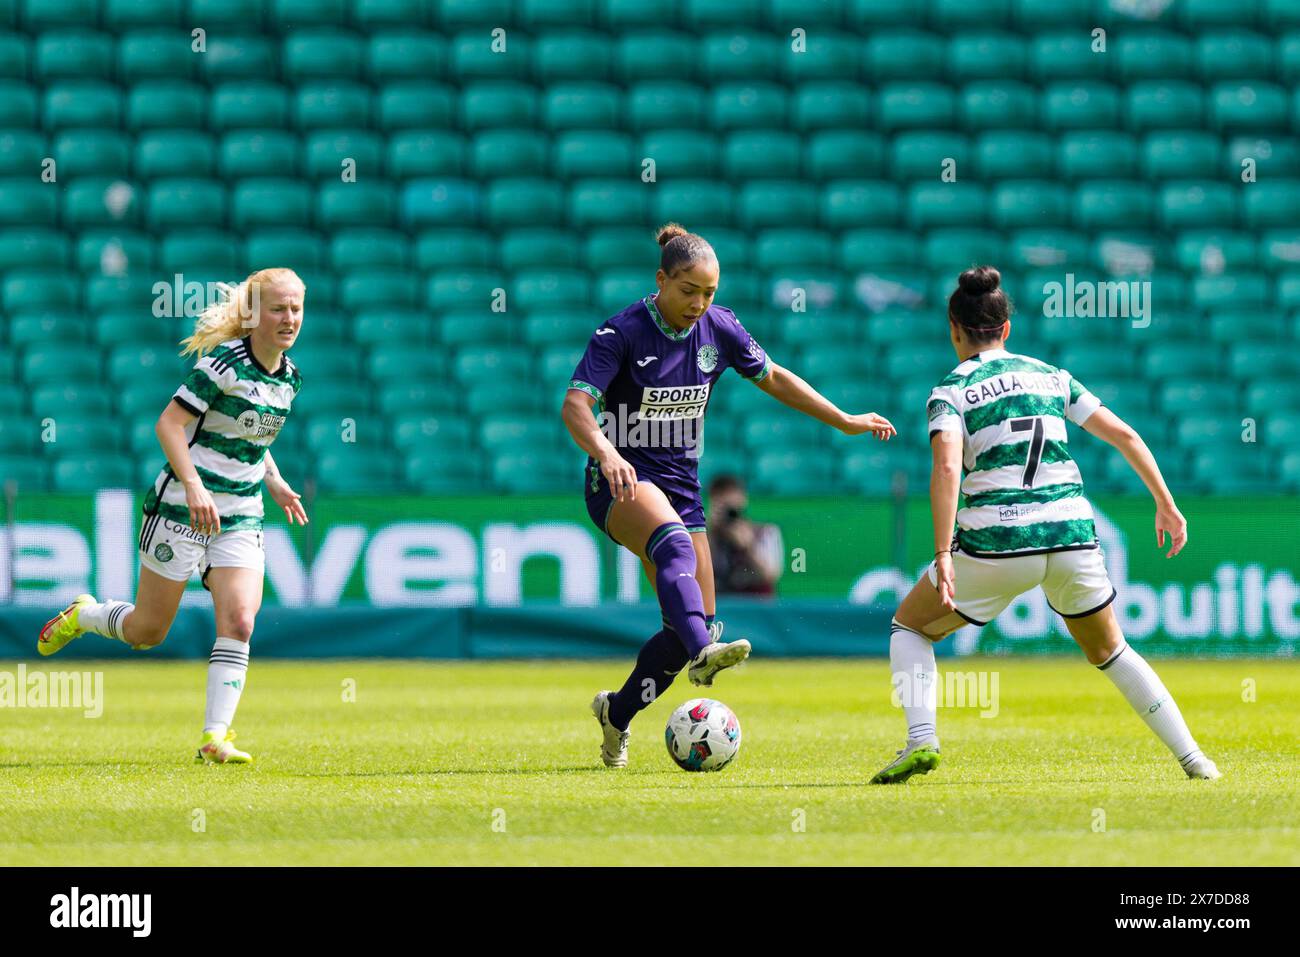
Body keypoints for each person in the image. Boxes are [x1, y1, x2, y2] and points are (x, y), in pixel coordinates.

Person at [561, 223, 896, 768]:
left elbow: (775, 377)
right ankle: (704, 654)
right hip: (619, 482)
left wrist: (843, 419)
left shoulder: (720, 328)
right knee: (673, 552)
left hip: (681, 491)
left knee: (685, 626)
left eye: (709, 293)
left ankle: (616, 714)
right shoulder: (620, 333)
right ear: (661, 280)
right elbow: (576, 405)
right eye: (688, 290)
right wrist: (607, 452)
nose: (699, 303)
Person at [869, 265, 1220, 784]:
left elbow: (945, 468)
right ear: (1006, 328)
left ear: (954, 329)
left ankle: (921, 741)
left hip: (997, 542)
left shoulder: (950, 391)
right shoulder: (1051, 376)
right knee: (1111, 651)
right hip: (1071, 533)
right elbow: (1124, 434)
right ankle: (1196, 761)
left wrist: (943, 553)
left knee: (910, 628)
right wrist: (1166, 504)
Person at [37, 267, 308, 765]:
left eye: (295, 308)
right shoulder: (223, 365)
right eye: (278, 308)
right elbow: (169, 423)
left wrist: (275, 481)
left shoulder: (289, 377)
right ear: (253, 314)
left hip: (241, 514)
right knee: (147, 631)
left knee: (241, 620)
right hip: (182, 508)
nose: (289, 318)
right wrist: (194, 485)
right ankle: (85, 614)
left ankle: (215, 736)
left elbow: (250, 439)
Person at [707, 474, 783, 596]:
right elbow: (701, 576)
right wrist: (712, 534)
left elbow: (771, 575)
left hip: (757, 607)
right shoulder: (709, 538)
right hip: (724, 606)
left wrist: (748, 547)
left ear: (743, 499)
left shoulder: (766, 531)